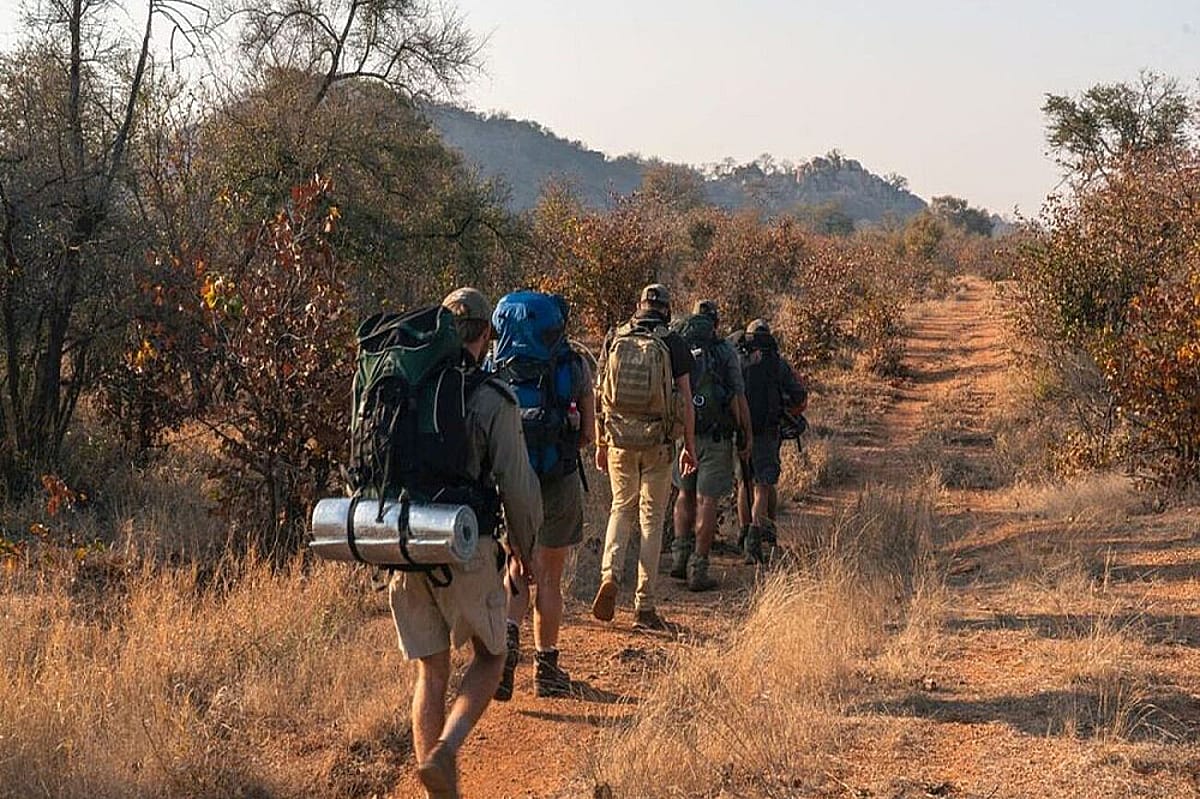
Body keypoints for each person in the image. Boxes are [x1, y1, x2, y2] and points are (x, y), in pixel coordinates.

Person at [388, 287, 543, 799]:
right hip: (463, 544)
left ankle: (436, 785)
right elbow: (516, 485)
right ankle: (446, 752)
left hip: (403, 541)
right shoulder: (490, 396)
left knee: (429, 672)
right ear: (484, 334)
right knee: (491, 656)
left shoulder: (405, 386)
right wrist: (525, 546)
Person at [488, 291, 595, 700]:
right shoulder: (573, 364)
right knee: (549, 577)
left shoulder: (495, 363)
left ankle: (506, 651)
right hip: (558, 477)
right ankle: (547, 671)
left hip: (510, 482)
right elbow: (588, 434)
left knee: (516, 568)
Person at [592, 283, 697, 631]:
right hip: (659, 443)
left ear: (639, 306)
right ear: (666, 309)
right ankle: (645, 605)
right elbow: (686, 398)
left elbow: (598, 392)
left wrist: (600, 443)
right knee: (651, 520)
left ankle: (609, 574)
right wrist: (690, 448)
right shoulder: (672, 342)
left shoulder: (615, 336)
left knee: (621, 508)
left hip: (620, 438)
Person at [669, 299, 753, 591]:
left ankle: (679, 557)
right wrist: (745, 432)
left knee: (684, 493)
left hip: (684, 432)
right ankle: (698, 568)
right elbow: (737, 396)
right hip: (716, 436)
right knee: (707, 500)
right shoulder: (724, 350)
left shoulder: (679, 341)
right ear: (716, 323)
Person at [735, 318, 807, 564]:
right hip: (768, 431)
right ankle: (757, 538)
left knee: (744, 483)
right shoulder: (777, 363)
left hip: (741, 431)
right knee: (763, 486)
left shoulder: (737, 359)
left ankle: (743, 535)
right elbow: (799, 395)